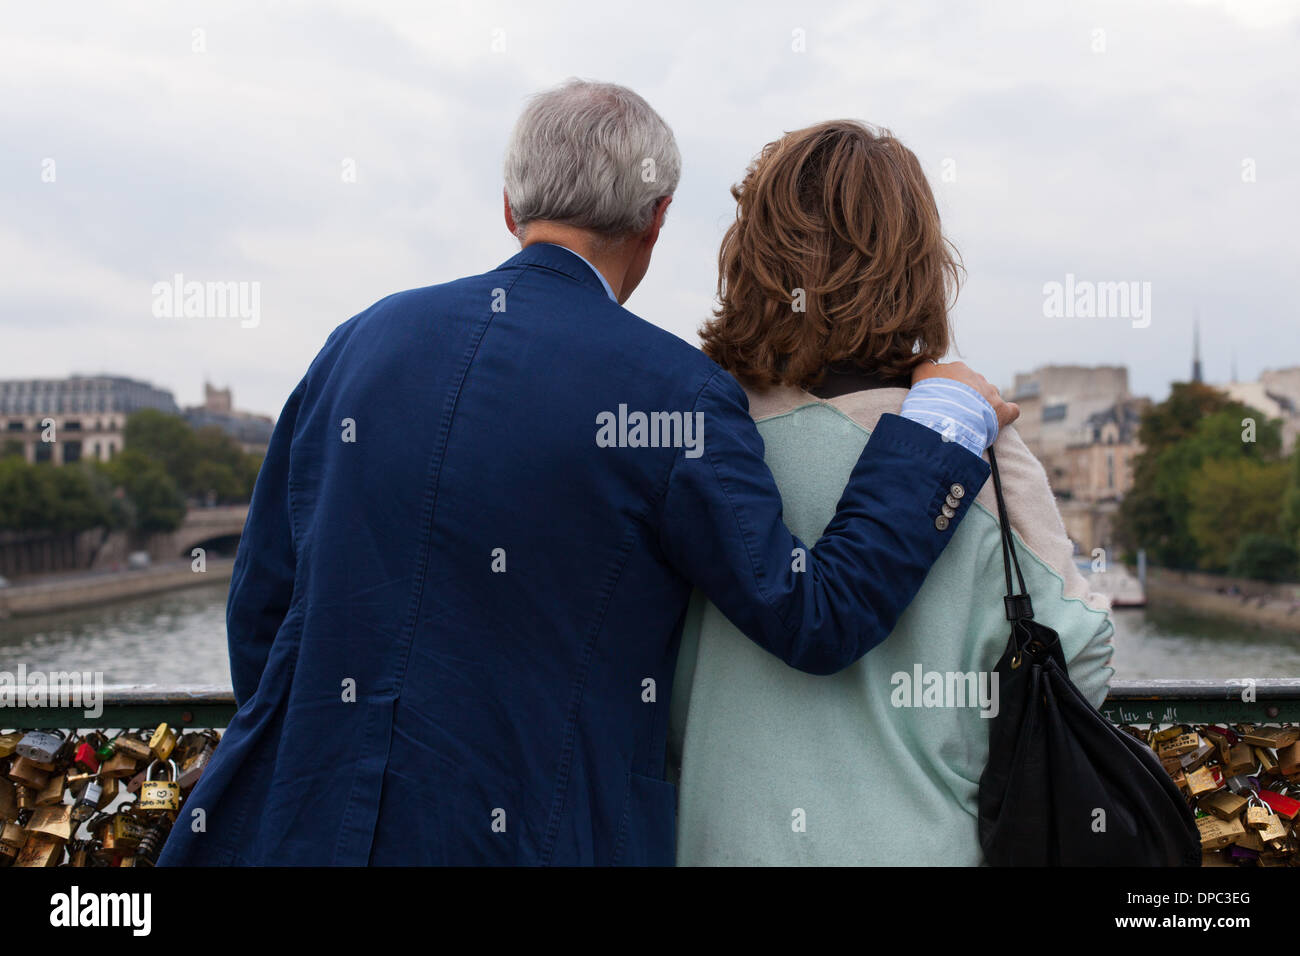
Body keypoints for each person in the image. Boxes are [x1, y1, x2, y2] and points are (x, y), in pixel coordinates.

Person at [159, 82, 1016, 867]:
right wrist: (941, 423)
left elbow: (265, 604)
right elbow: (814, 617)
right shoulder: (674, 393)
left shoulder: (359, 343)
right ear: (657, 217)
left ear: (509, 207)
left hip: (300, 829)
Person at [668, 120, 1115, 866]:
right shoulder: (981, 450)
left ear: (747, 258)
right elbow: (1079, 659)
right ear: (921, 266)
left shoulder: (698, 438)